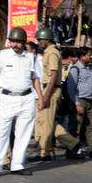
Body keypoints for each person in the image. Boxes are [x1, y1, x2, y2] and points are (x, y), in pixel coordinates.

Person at [0, 27, 44, 177]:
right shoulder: (2, 56)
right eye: (13, 41)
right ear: (9, 42)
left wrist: (40, 97)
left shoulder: (31, 57)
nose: (16, 44)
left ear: (24, 42)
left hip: (27, 98)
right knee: (1, 132)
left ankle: (17, 165)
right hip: (7, 98)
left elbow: (35, 78)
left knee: (23, 133)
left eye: (19, 42)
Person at [64, 47, 92, 158]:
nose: (91, 57)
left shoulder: (89, 69)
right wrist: (76, 103)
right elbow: (71, 88)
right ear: (82, 56)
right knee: (75, 127)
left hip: (89, 101)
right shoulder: (75, 69)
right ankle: (72, 151)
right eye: (88, 55)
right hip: (79, 100)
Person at [34, 27, 62, 160]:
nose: (39, 42)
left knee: (46, 122)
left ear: (47, 40)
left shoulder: (52, 53)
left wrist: (46, 95)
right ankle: (73, 143)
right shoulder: (48, 52)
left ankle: (44, 152)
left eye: (40, 40)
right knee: (45, 120)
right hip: (48, 88)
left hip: (51, 88)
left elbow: (54, 74)